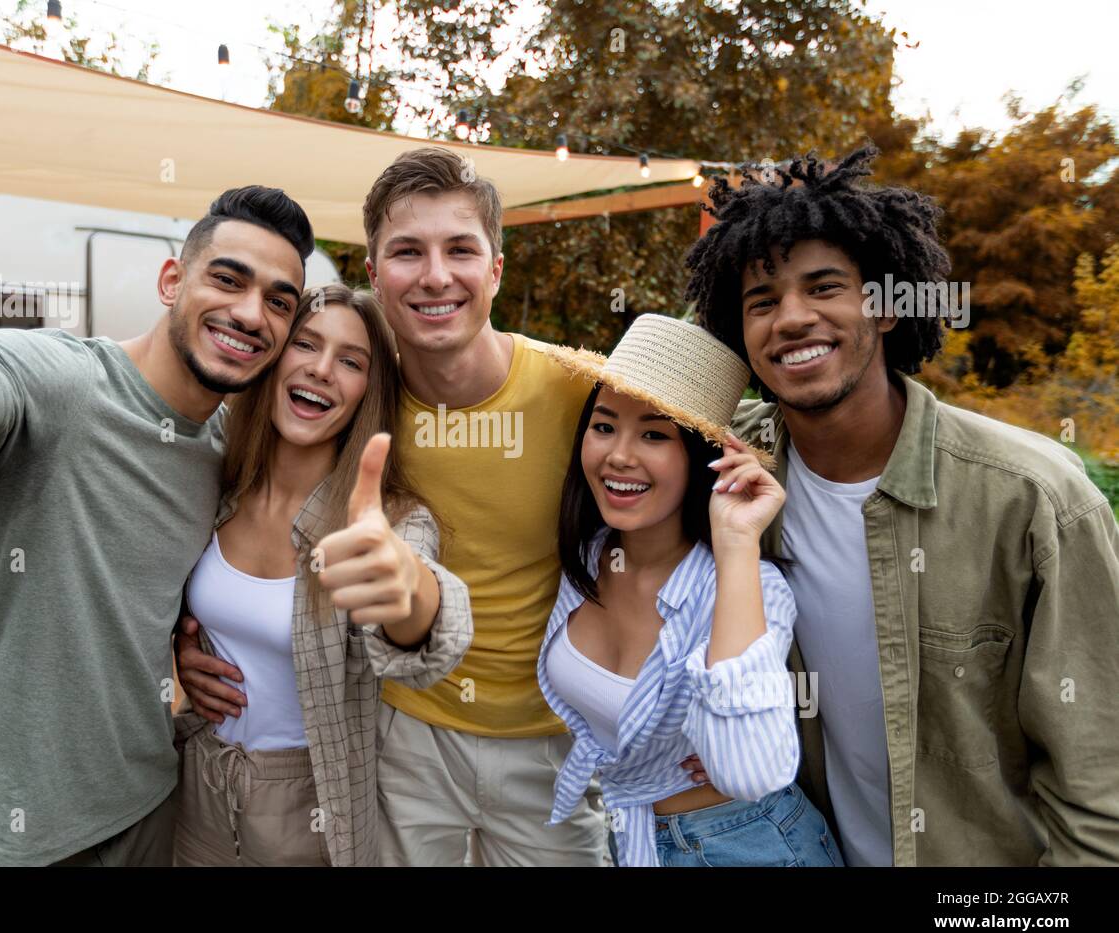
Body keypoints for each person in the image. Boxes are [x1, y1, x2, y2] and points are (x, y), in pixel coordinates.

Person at [0, 185, 313, 866]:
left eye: (279, 301)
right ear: (172, 281)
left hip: (142, 814)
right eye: (228, 279)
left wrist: (186, 646)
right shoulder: (54, 384)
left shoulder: (232, 448)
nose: (251, 313)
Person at [178, 147, 614, 865]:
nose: (436, 275)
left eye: (460, 250)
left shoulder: (578, 392)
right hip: (399, 734)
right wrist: (179, 645)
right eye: (408, 252)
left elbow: (674, 499)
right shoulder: (351, 406)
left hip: (547, 739)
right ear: (376, 275)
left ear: (496, 269)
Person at [685, 144, 1119, 865]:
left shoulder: (1033, 499)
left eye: (824, 288)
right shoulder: (725, 473)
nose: (791, 318)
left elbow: (1102, 785)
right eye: (762, 301)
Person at [170, 284, 471, 865]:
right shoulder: (216, 484)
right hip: (198, 782)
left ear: (368, 391)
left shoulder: (391, 522)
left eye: (352, 361)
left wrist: (405, 587)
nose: (323, 369)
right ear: (275, 356)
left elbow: (423, 640)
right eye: (306, 344)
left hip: (313, 803)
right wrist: (177, 652)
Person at [539, 313, 842, 867]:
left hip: (747, 844)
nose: (619, 455)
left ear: (706, 460)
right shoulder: (586, 554)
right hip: (631, 837)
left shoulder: (749, 585)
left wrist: (735, 542)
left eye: (655, 434)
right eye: (604, 426)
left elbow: (749, 771)